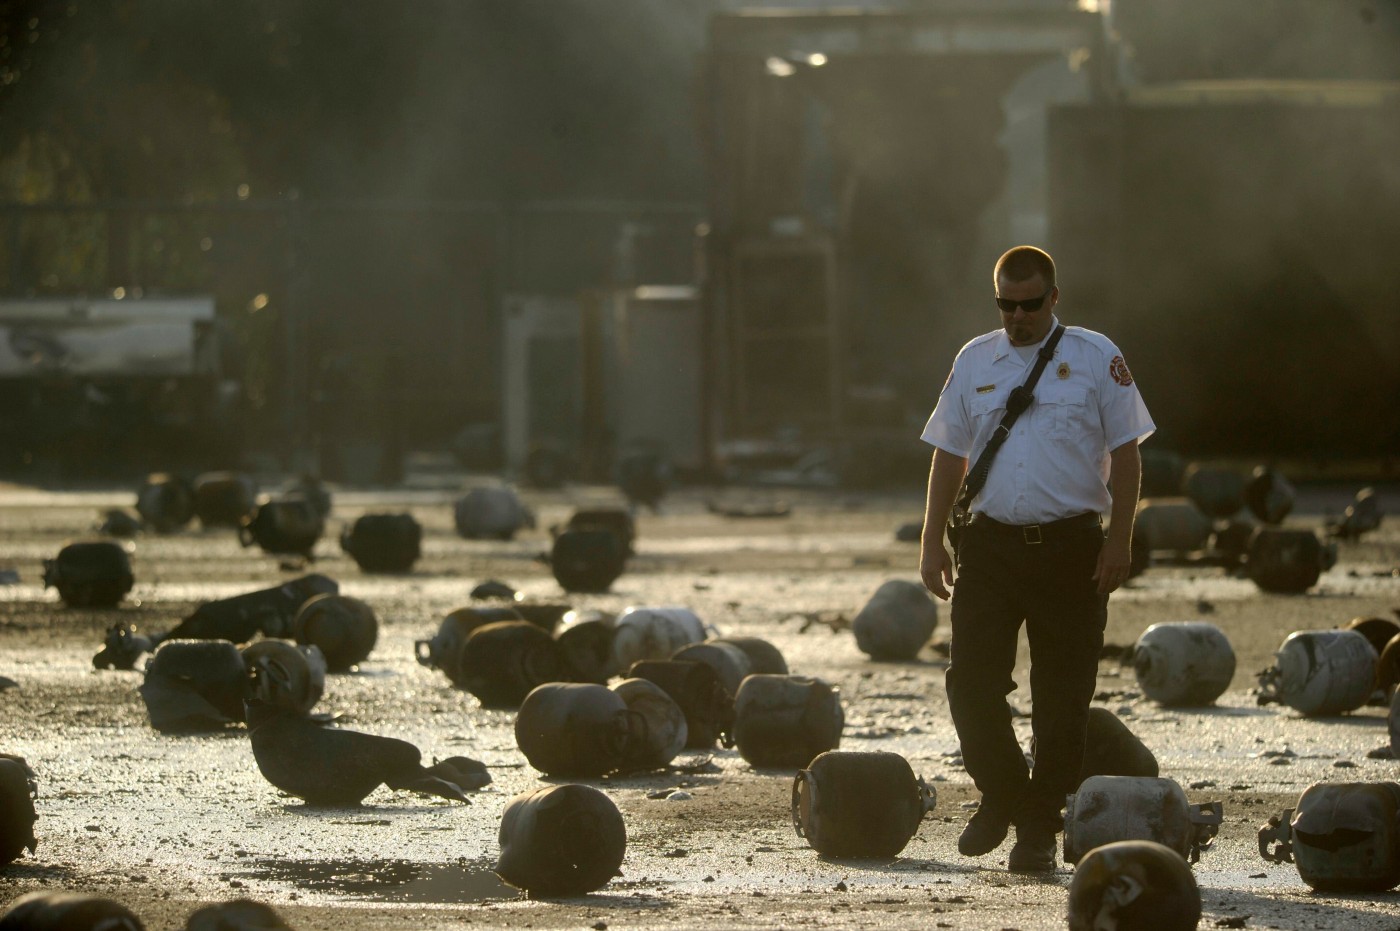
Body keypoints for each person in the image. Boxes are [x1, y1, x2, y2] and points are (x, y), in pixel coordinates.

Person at [917, 245, 1154, 872]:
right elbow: (948, 454)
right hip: (990, 548)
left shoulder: (1096, 356)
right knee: (971, 684)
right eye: (1005, 305)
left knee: (1062, 696)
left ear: (1054, 298)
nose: (1016, 316)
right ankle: (1002, 794)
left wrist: (1119, 540)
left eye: (1028, 304)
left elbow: (1128, 457)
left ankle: (1038, 827)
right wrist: (930, 541)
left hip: (1071, 548)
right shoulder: (974, 360)